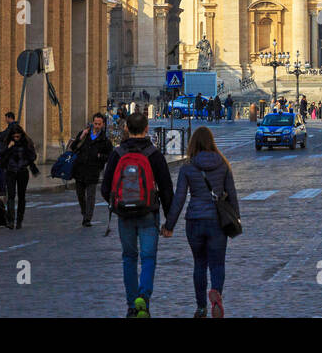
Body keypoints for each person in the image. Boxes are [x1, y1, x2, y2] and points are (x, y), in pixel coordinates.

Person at [101, 109, 175, 318]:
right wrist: (169, 221)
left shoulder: (118, 154)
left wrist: (118, 205)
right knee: (149, 257)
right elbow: (167, 189)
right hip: (148, 212)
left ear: (126, 129)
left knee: (129, 258)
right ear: (146, 129)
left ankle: (132, 304)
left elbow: (105, 188)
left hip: (124, 214)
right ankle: (144, 296)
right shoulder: (154, 155)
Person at [162, 126, 238, 318]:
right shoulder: (223, 164)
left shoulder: (188, 167)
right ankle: (217, 295)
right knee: (218, 263)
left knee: (199, 263)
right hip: (217, 220)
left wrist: (169, 225)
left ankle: (201, 307)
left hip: (194, 220)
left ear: (193, 143)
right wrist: (235, 218)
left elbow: (179, 198)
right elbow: (232, 194)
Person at [69, 113, 114, 227]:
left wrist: (99, 156)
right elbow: (73, 147)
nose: (97, 126)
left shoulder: (105, 140)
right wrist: (81, 136)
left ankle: (87, 218)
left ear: (103, 124)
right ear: (92, 123)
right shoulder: (85, 134)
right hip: (79, 169)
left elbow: (110, 156)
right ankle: (84, 212)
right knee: (80, 195)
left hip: (93, 170)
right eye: (95, 123)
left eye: (99, 124)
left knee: (90, 196)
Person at [0, 121, 38, 230]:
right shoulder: (7, 142)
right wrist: (9, 147)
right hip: (10, 172)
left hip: (22, 172)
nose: (16, 137)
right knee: (11, 196)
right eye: (14, 135)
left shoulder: (27, 142)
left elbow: (33, 156)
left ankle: (19, 220)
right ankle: (10, 220)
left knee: (22, 196)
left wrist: (25, 162)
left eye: (18, 135)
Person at [0, 111, 17, 196]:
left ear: (9, 118)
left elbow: (2, 136)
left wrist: (1, 134)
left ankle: (2, 189)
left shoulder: (12, 127)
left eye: (6, 118)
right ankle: (4, 189)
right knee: (4, 172)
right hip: (6, 154)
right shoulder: (12, 127)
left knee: (1, 172)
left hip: (5, 154)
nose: (5, 119)